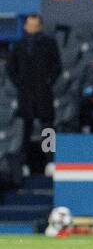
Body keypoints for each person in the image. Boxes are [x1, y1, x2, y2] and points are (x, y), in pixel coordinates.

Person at [7, 14, 60, 175]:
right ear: (25, 27)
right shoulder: (18, 45)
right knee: (25, 130)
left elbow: (57, 67)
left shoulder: (49, 43)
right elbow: (11, 69)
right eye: (29, 25)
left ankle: (50, 162)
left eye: (35, 26)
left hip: (44, 93)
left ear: (40, 27)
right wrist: (21, 84)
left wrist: (47, 82)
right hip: (25, 95)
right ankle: (23, 164)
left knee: (47, 129)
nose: (32, 28)